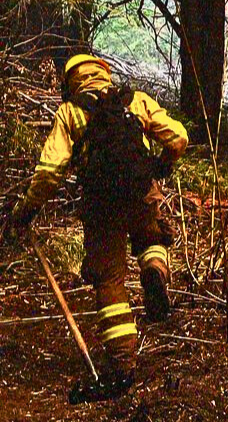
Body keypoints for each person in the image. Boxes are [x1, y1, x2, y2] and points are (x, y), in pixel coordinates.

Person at [1, 53, 188, 402]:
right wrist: (161, 164)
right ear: (104, 73)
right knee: (151, 236)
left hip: (102, 204)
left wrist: (26, 210)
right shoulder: (134, 100)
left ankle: (122, 367)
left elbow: (49, 171)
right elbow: (178, 137)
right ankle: (154, 271)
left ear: (70, 82)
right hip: (141, 188)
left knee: (110, 280)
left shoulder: (71, 112)